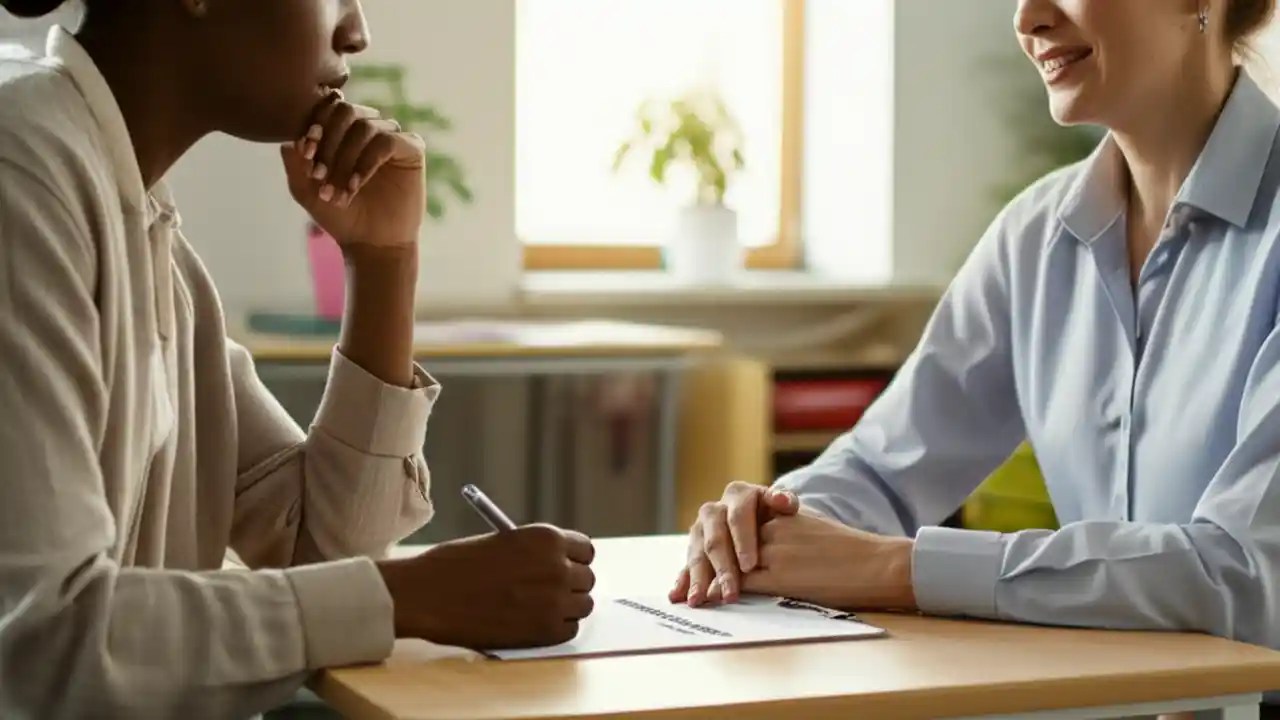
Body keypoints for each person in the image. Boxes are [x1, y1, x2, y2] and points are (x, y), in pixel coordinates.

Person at [0, 0, 595, 717]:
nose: (356, 30)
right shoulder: (22, 174)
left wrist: (382, 261)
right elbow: (45, 640)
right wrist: (412, 596)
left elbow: (327, 549)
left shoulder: (149, 238)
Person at [678, 0, 1280, 702]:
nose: (1029, 17)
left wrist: (896, 570)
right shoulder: (1037, 235)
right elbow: (884, 468)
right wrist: (768, 527)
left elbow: (1249, 577)